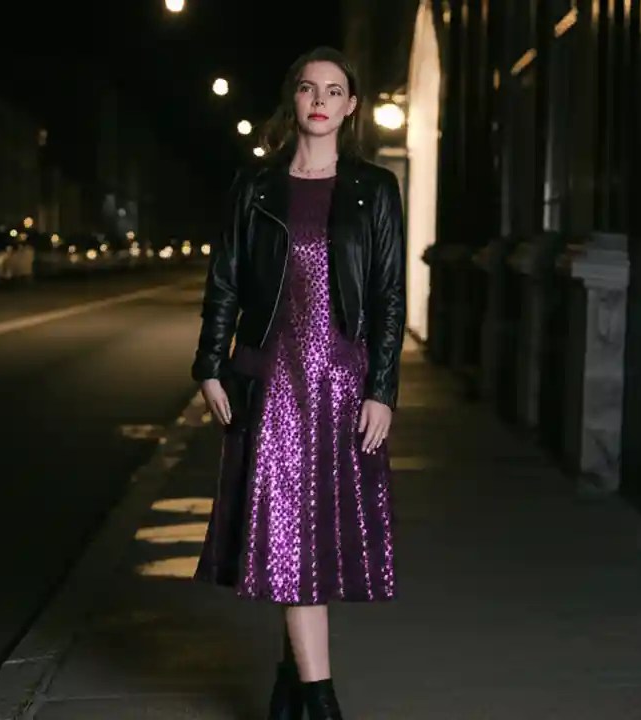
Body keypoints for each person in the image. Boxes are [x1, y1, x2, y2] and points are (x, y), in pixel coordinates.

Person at [189, 45, 406, 720]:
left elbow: (389, 295)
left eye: (334, 90)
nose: (320, 100)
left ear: (351, 106)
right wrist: (209, 362)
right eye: (309, 89)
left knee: (316, 540)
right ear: (295, 101)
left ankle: (292, 693)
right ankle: (319, 701)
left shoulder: (374, 189)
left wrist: (383, 388)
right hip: (270, 379)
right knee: (290, 540)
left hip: (341, 384)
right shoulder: (255, 187)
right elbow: (224, 280)